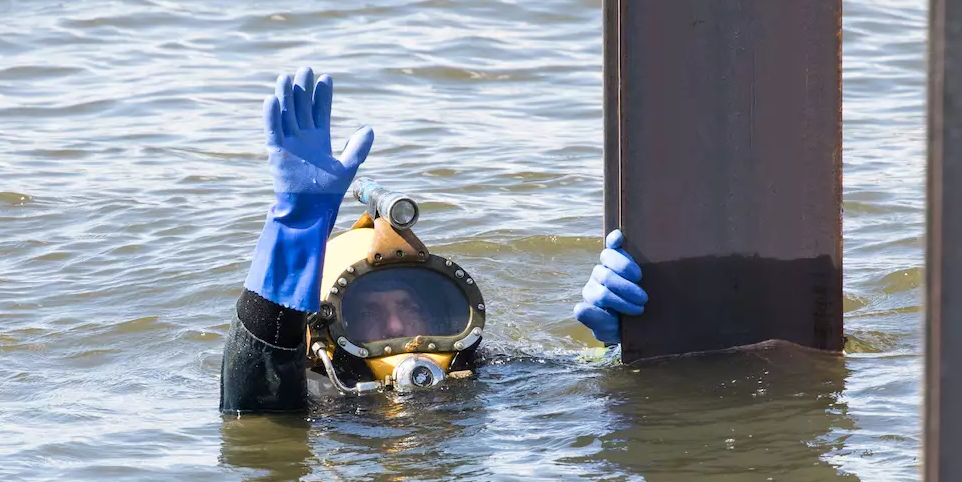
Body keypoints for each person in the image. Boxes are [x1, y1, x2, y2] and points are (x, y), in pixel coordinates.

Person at [219, 65, 648, 414]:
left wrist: (626, 346)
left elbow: (599, 392)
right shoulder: (321, 401)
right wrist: (296, 232)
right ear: (327, 335)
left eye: (409, 307)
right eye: (367, 313)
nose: (397, 329)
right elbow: (253, 411)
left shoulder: (488, 374)